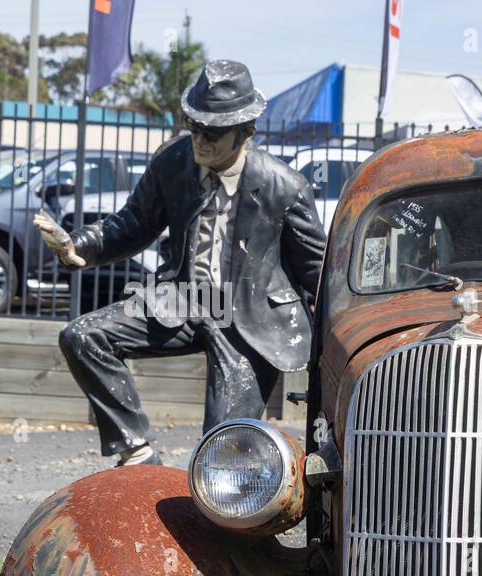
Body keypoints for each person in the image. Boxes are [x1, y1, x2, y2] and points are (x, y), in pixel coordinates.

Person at [37, 60, 326, 466]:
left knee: (219, 456)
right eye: (193, 127)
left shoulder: (285, 187)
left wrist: (335, 346)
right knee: (81, 336)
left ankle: (224, 511)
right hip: (184, 300)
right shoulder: (173, 161)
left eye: (212, 132)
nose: (200, 141)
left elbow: (318, 273)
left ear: (246, 131)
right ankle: (137, 454)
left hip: (251, 319)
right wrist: (77, 245)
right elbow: (134, 222)